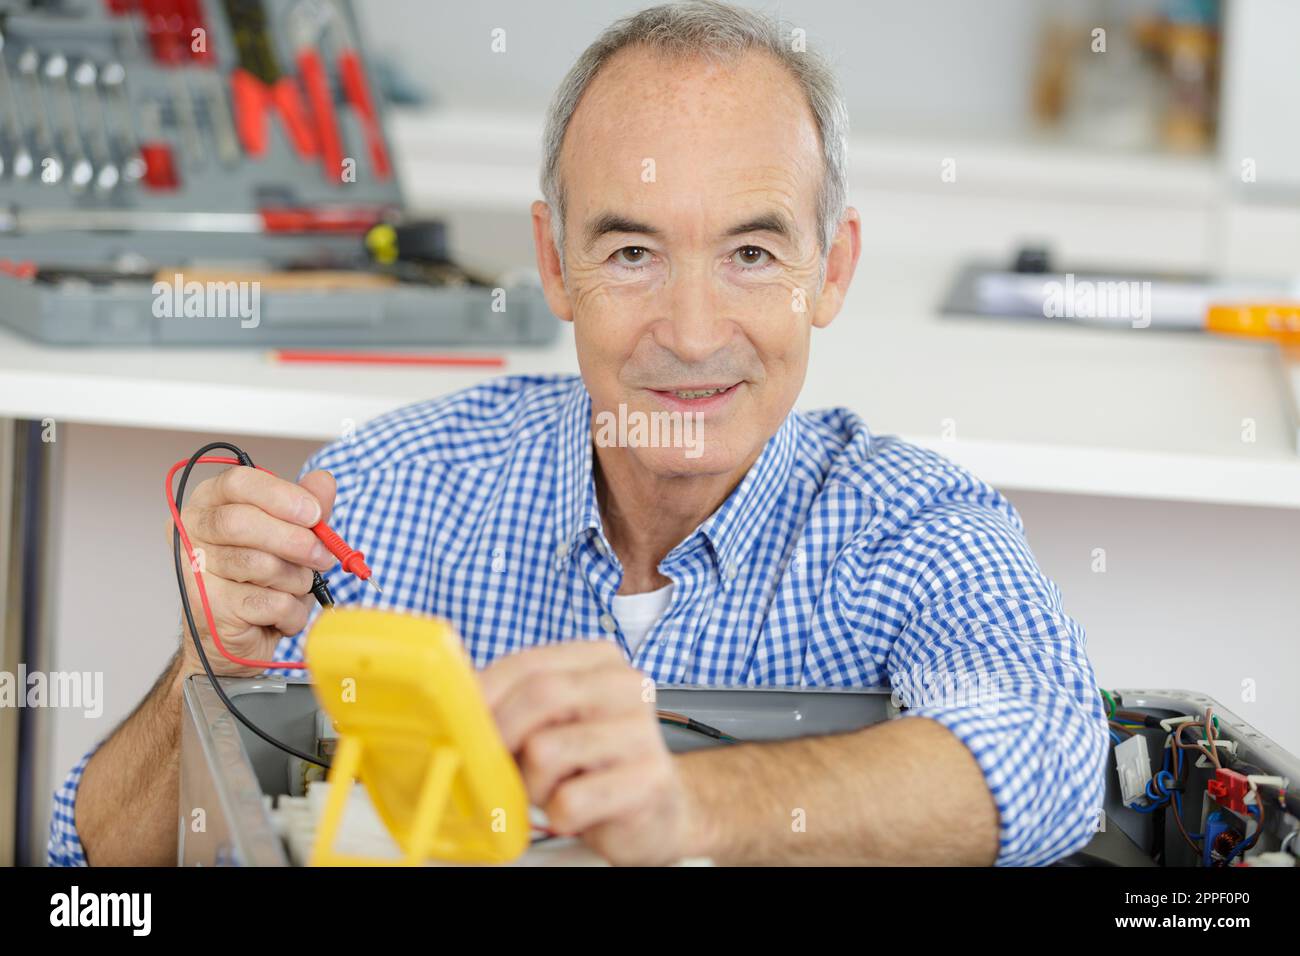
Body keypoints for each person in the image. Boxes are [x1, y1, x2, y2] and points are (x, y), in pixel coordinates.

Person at [50, 0, 1106, 867]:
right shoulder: (379, 498)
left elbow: (1048, 757)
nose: (691, 335)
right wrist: (212, 652)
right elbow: (88, 869)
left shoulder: (915, 526)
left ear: (830, 270)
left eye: (749, 252)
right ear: (554, 263)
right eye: (634, 252)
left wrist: (691, 807)